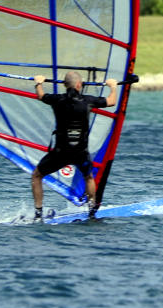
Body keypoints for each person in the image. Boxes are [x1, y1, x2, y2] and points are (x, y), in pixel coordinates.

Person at [30, 71, 119, 221]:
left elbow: (41, 95)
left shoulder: (57, 99)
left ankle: (38, 213)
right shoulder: (88, 100)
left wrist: (39, 82)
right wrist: (113, 86)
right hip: (80, 152)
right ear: (79, 85)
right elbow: (111, 101)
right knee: (89, 177)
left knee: (37, 176)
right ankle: (91, 212)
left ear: (65, 85)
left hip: (60, 152)